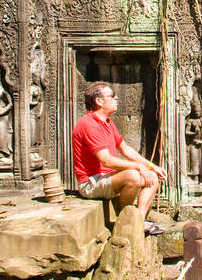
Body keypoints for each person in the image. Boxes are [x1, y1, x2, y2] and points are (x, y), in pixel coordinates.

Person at [71, 82, 166, 233]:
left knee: (153, 177)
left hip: (109, 177)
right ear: (99, 101)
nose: (117, 98)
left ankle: (137, 221)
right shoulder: (89, 124)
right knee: (134, 176)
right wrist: (138, 167)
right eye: (112, 96)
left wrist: (151, 167)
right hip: (91, 183)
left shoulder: (107, 123)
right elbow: (106, 160)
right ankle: (125, 220)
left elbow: (126, 149)